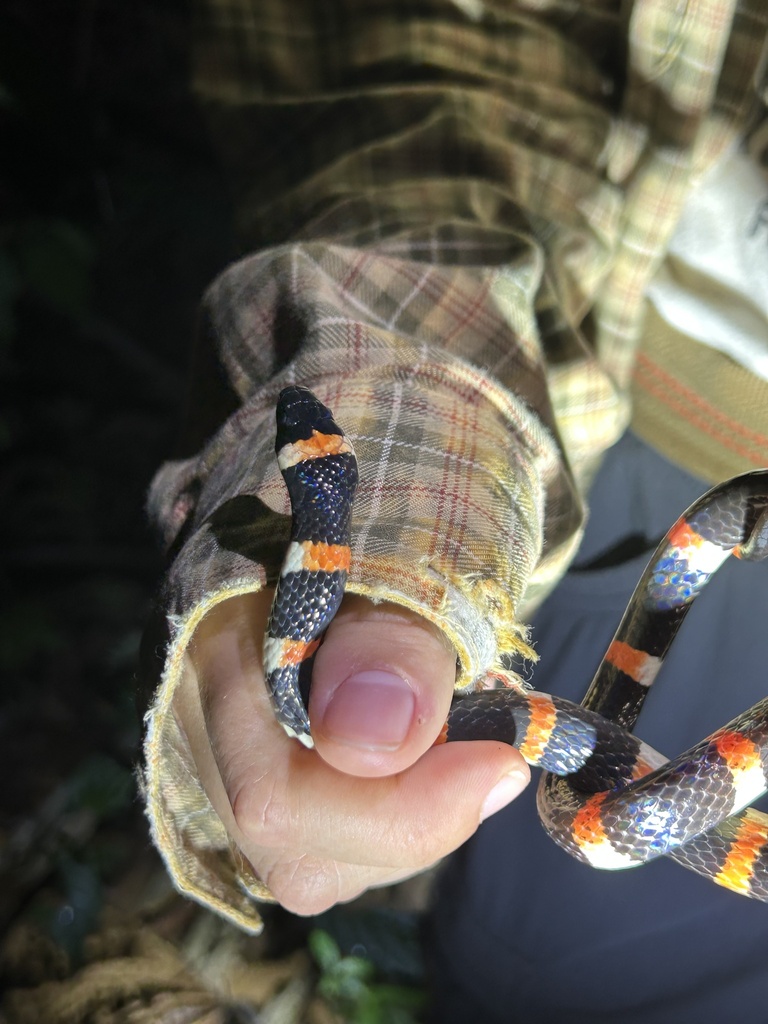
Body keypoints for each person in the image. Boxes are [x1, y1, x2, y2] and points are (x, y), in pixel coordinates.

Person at [141, 1, 768, 1019]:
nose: (316, 443)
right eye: (320, 451)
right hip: (637, 423)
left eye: (317, 451)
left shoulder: (312, 592)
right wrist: (409, 540)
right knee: (549, 978)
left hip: (694, 536)